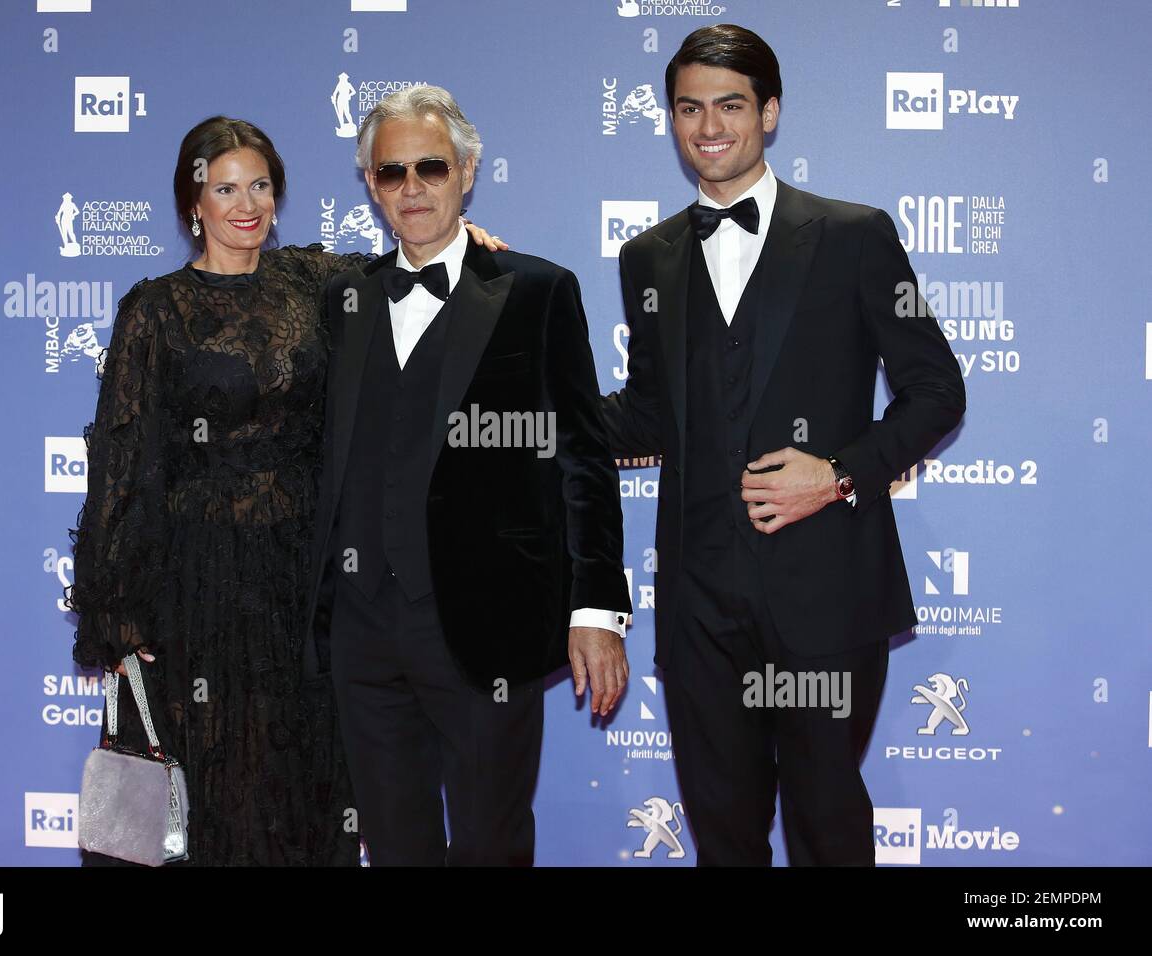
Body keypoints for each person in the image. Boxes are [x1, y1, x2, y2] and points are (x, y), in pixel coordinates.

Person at [67, 115, 503, 866]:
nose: (247, 205)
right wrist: (121, 619)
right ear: (192, 203)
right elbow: (121, 461)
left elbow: (410, 266)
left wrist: (469, 244)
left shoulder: (314, 283)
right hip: (199, 592)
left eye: (261, 186)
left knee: (313, 787)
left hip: (309, 585)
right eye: (226, 188)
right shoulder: (155, 310)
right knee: (213, 791)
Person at [601, 25, 966, 865]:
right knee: (724, 837)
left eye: (730, 104)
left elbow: (938, 391)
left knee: (827, 828)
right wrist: (508, 351)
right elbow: (649, 418)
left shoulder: (853, 235)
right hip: (700, 602)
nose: (708, 126)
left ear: (769, 113)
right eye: (688, 107)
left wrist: (839, 476)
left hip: (827, 590)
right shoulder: (648, 257)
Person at [309, 85, 632, 866]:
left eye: (431, 167)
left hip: (489, 626)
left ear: (468, 171)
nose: (412, 188)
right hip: (362, 632)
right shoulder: (338, 298)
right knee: (393, 846)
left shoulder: (537, 290)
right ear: (370, 185)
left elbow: (583, 457)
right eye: (391, 173)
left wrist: (597, 608)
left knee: (491, 843)